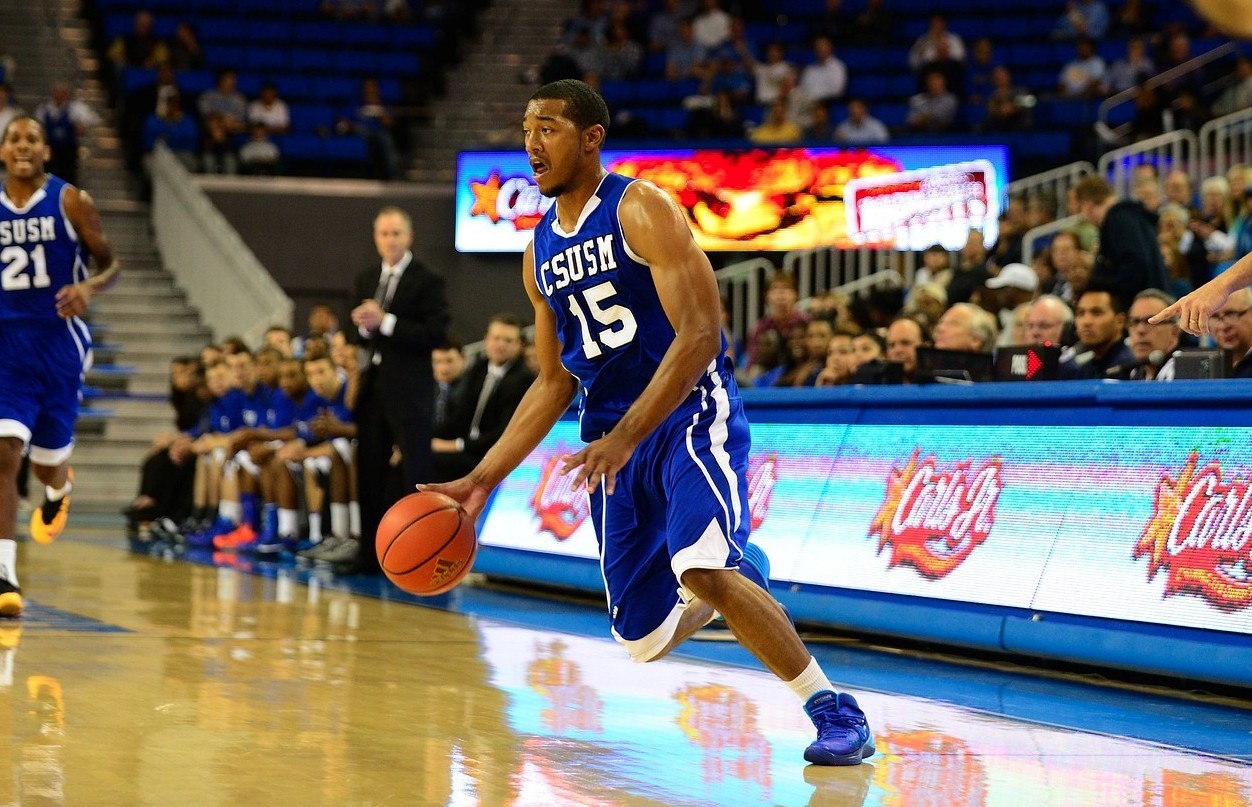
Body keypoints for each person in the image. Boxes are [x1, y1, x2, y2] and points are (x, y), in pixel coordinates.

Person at [423, 79, 875, 766]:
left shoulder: (641, 208)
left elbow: (699, 336)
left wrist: (629, 432)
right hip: (611, 437)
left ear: (591, 137)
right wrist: (482, 479)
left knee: (699, 564)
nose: (531, 143)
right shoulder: (537, 250)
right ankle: (735, 572)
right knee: (643, 636)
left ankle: (833, 709)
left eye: (546, 127)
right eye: (525, 129)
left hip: (687, 409)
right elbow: (552, 381)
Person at [0, 116, 120, 618]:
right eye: (14, 139)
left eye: (32, 139)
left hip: (57, 348)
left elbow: (109, 264)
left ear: (46, 151)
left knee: (48, 463)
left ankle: (60, 488)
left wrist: (89, 288)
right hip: (6, 348)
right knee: (5, 455)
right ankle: (4, 574)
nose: (23, 145)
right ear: (3, 151)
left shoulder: (72, 201)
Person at [350, 206, 448, 574]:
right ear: (375, 239)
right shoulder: (366, 278)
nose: (389, 240)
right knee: (369, 472)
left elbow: (434, 333)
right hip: (374, 390)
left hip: (410, 391)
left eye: (396, 234)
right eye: (383, 234)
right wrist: (362, 327)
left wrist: (386, 321)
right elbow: (356, 335)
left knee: (415, 473)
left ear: (409, 237)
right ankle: (369, 555)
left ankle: (418, 555)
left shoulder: (428, 279)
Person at [431, 314, 535, 482]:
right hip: (467, 448)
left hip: (493, 455)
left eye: (508, 340)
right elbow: (459, 416)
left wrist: (456, 445)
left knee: (432, 462)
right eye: (496, 338)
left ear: (520, 345)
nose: (500, 344)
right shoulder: (478, 369)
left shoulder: (524, 381)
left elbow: (504, 432)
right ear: (487, 339)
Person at [1072, 174, 1169, 306]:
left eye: (1080, 209)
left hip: (1142, 308)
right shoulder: (1129, 217)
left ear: (1087, 205)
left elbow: (1135, 264)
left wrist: (1108, 290)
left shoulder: (1119, 219)